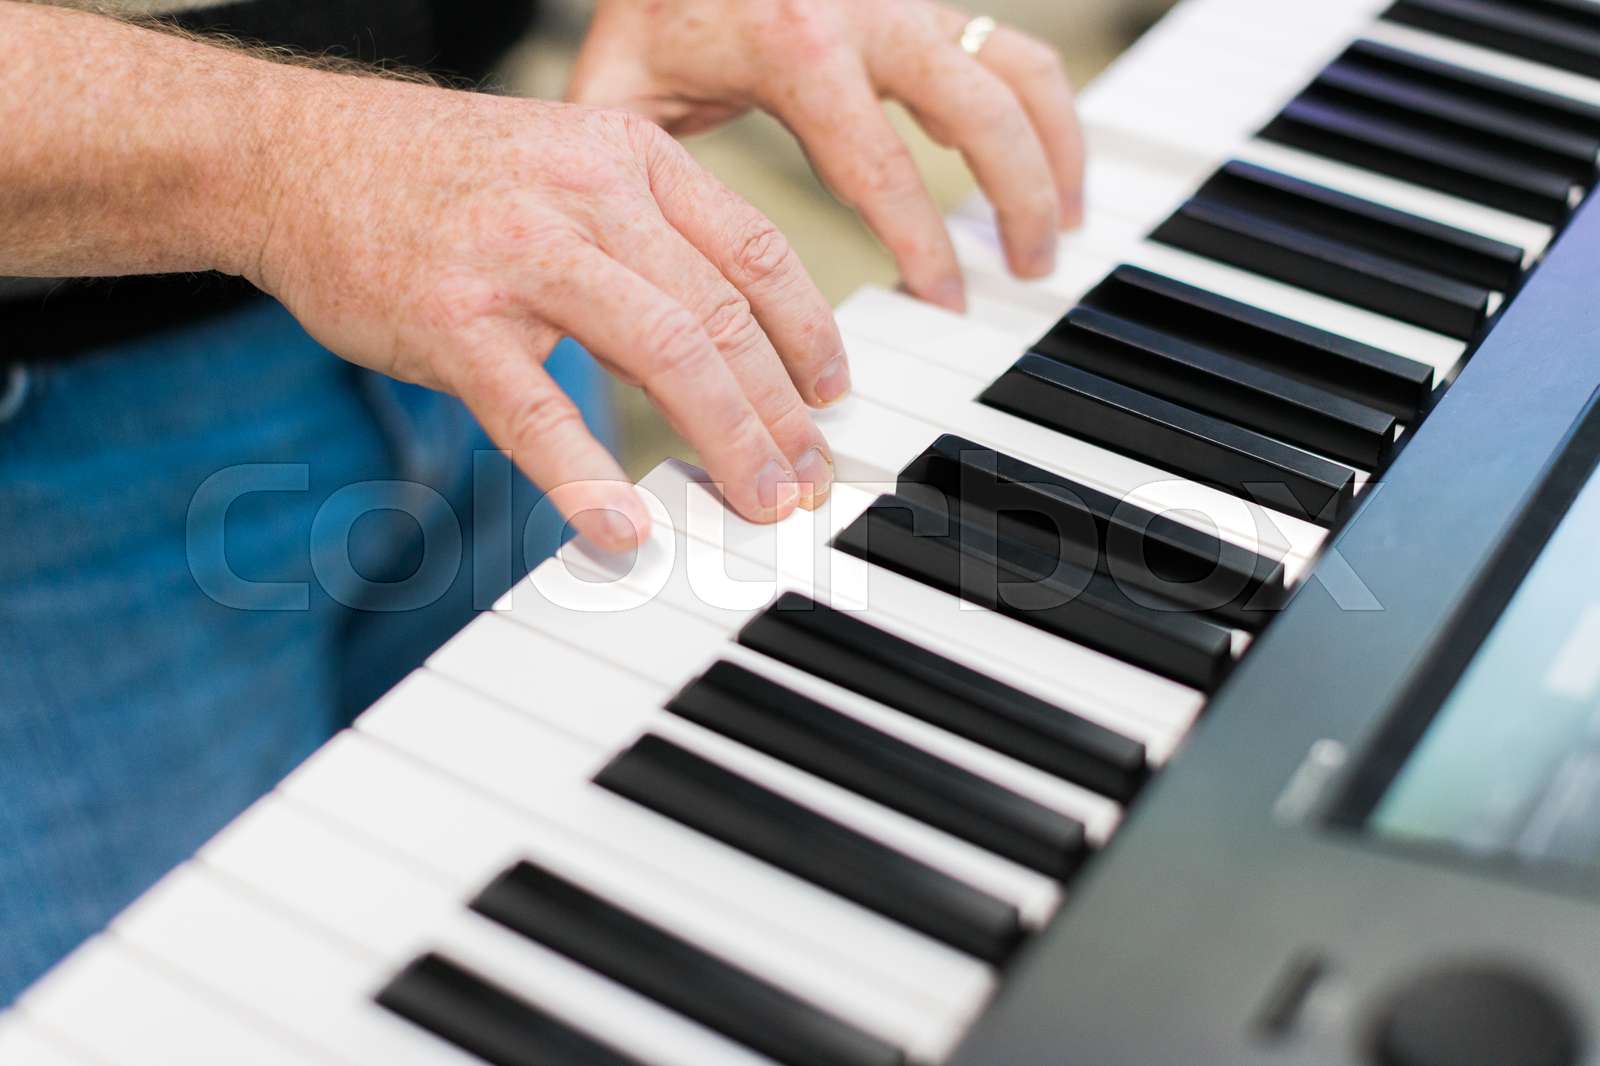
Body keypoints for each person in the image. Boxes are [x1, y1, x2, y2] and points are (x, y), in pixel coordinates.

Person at [0, 0, 1084, 1003]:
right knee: (182, 1005)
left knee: (571, 914)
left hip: (499, 234)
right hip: (63, 447)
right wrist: (293, 159)